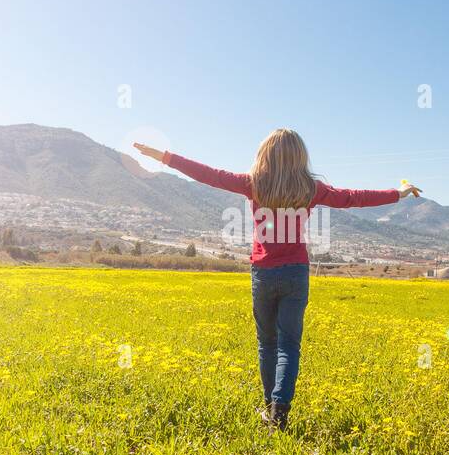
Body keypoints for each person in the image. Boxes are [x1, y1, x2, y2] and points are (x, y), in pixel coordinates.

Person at [133, 129, 421, 429]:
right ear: (300, 157)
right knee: (288, 346)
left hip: (263, 274)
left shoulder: (255, 183)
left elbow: (209, 175)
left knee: (267, 344)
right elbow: (353, 198)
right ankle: (279, 413)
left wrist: (164, 157)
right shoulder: (311, 188)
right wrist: (397, 194)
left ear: (265, 154)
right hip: (295, 272)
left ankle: (270, 408)